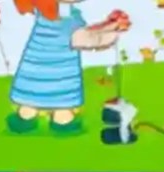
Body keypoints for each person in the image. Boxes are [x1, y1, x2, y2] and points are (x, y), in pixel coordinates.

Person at [7, 0, 125, 134]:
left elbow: (85, 32)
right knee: (62, 102)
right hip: (61, 70)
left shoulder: (48, 12)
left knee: (31, 95)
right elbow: (84, 39)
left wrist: (108, 25)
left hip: (35, 65)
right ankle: (60, 119)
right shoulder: (64, 18)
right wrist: (112, 33)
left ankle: (25, 117)